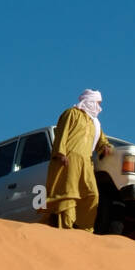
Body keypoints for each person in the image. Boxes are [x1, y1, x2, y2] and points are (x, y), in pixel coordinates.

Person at [44, 89, 111, 231]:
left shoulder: (95, 123)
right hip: (69, 158)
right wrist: (60, 153)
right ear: (89, 101)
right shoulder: (71, 113)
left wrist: (105, 146)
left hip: (87, 162)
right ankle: (67, 228)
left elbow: (101, 140)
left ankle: (85, 228)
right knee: (69, 194)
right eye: (97, 102)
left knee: (92, 194)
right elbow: (62, 134)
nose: (99, 106)